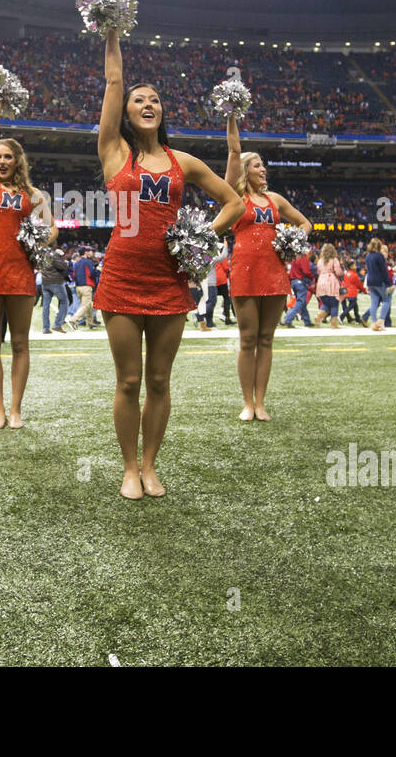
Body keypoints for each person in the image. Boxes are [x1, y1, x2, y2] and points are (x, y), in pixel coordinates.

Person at [92, 28, 244, 498]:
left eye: (155, 99)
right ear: (127, 112)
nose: (147, 104)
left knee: (159, 379)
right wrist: (113, 33)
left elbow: (233, 202)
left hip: (170, 280)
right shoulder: (115, 152)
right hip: (120, 276)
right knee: (129, 379)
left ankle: (152, 464)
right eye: (139, 100)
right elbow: (113, 82)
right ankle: (128, 467)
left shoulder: (182, 161)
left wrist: (200, 237)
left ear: (162, 112)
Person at [0, 96, 54, 427]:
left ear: (18, 160)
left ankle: (16, 408)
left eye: (8, 156)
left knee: (20, 343)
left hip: (19, 273)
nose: (2, 160)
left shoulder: (33, 196)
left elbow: (52, 230)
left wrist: (34, 242)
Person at [224, 118, 313, 420]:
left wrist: (292, 243)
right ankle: (246, 403)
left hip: (274, 272)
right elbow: (233, 152)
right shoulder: (234, 198)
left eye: (264, 166)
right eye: (257, 165)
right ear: (245, 170)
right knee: (248, 339)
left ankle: (260, 402)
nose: (263, 169)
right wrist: (231, 116)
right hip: (244, 272)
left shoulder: (275, 200)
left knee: (266, 339)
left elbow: (305, 223)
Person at [361, 238, 391, 331]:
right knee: (387, 300)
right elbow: (383, 271)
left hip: (370, 282)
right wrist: (388, 283)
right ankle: (381, 321)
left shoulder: (368, 256)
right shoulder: (379, 256)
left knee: (374, 302)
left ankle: (374, 323)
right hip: (379, 281)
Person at [66, 248, 100, 329]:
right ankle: (73, 320)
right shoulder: (88, 261)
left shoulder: (77, 263)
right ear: (85, 253)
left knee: (88, 305)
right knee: (86, 305)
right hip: (86, 286)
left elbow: (73, 276)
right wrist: (99, 271)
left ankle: (90, 323)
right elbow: (92, 273)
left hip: (78, 287)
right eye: (88, 251)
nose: (89, 253)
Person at [40, 247, 72, 334]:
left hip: (45, 283)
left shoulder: (43, 256)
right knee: (64, 302)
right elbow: (62, 266)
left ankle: (45, 328)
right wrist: (65, 262)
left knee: (46, 306)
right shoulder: (55, 256)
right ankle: (57, 325)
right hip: (55, 282)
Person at [282, 248, 315, 328]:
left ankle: (307, 321)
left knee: (301, 302)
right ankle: (288, 319)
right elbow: (306, 271)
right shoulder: (302, 259)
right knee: (300, 302)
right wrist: (312, 277)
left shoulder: (294, 259)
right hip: (300, 282)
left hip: (293, 282)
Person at [313, 243, 343, 328]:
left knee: (326, 303)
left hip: (321, 281)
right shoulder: (334, 260)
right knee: (334, 304)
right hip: (331, 281)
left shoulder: (319, 261)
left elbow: (318, 272)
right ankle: (334, 324)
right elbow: (338, 272)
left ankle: (318, 316)